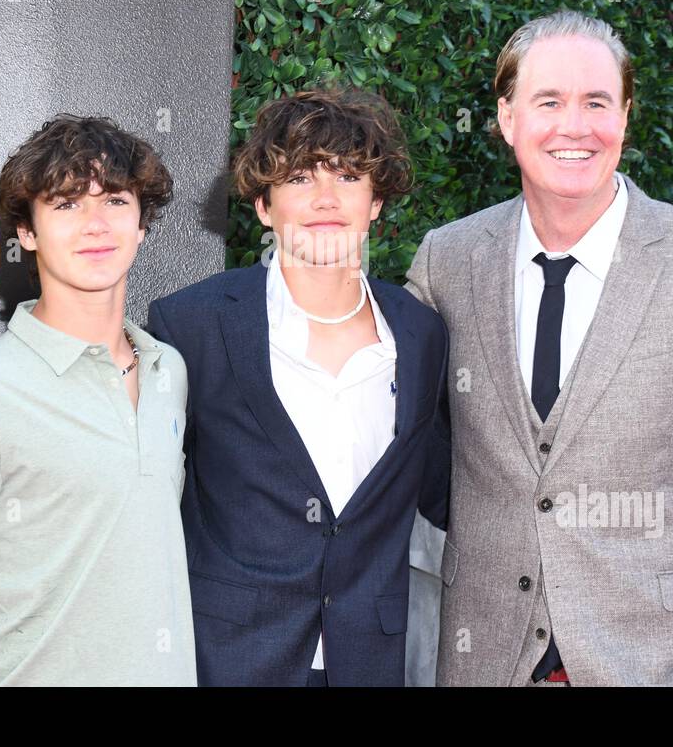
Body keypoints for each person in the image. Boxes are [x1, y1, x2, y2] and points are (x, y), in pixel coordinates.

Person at [406, 10, 673, 686]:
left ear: (626, 116)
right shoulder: (447, 262)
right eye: (549, 101)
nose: (574, 125)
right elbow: (396, 436)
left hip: (662, 666)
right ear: (506, 119)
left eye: (597, 102)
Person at [147, 87, 450, 686]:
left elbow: (445, 492)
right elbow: (145, 496)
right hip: (229, 657)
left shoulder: (421, 334)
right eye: (300, 178)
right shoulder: (192, 323)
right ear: (263, 205)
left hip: (368, 659)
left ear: (377, 202)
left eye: (347, 176)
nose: (326, 199)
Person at [0, 115, 195, 686]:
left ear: (142, 223)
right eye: (65, 204)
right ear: (25, 233)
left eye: (114, 200)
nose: (95, 224)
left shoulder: (168, 373)